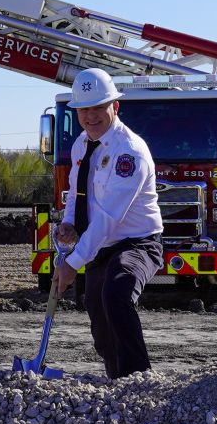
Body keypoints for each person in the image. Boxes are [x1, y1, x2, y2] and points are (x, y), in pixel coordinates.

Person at [51, 68, 163, 378]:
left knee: (117, 291)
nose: (90, 116)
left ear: (115, 107)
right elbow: (76, 190)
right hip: (100, 245)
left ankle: (138, 380)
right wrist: (70, 222)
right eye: (84, 109)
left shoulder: (129, 152)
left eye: (98, 107)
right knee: (99, 315)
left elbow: (109, 219)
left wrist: (73, 263)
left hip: (137, 243)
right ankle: (116, 379)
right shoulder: (81, 145)